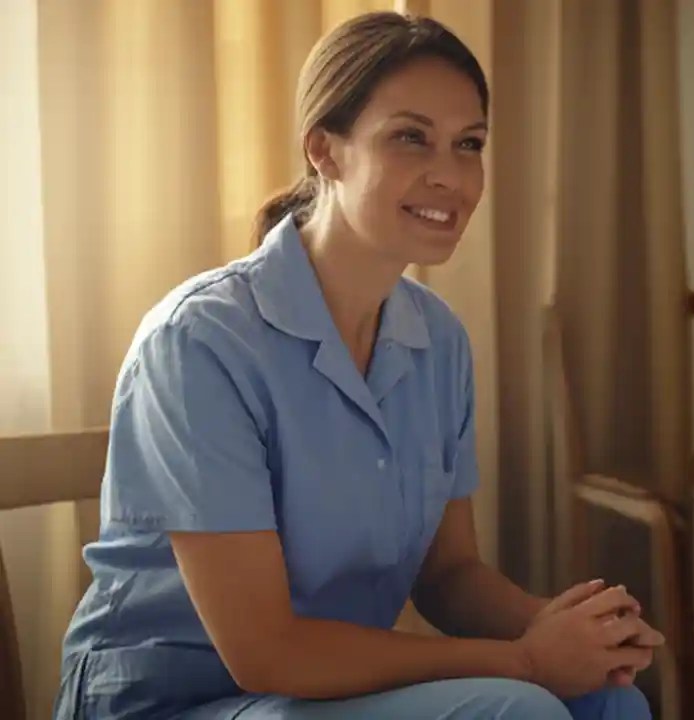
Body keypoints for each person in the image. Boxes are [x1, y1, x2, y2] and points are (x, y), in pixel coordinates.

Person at [54, 12, 661, 720]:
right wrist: (524, 662)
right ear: (325, 151)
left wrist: (567, 631)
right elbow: (266, 652)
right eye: (411, 138)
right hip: (175, 702)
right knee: (515, 708)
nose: (450, 174)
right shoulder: (201, 341)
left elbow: (449, 575)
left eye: (469, 145)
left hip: (322, 693)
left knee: (607, 701)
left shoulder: (438, 340)